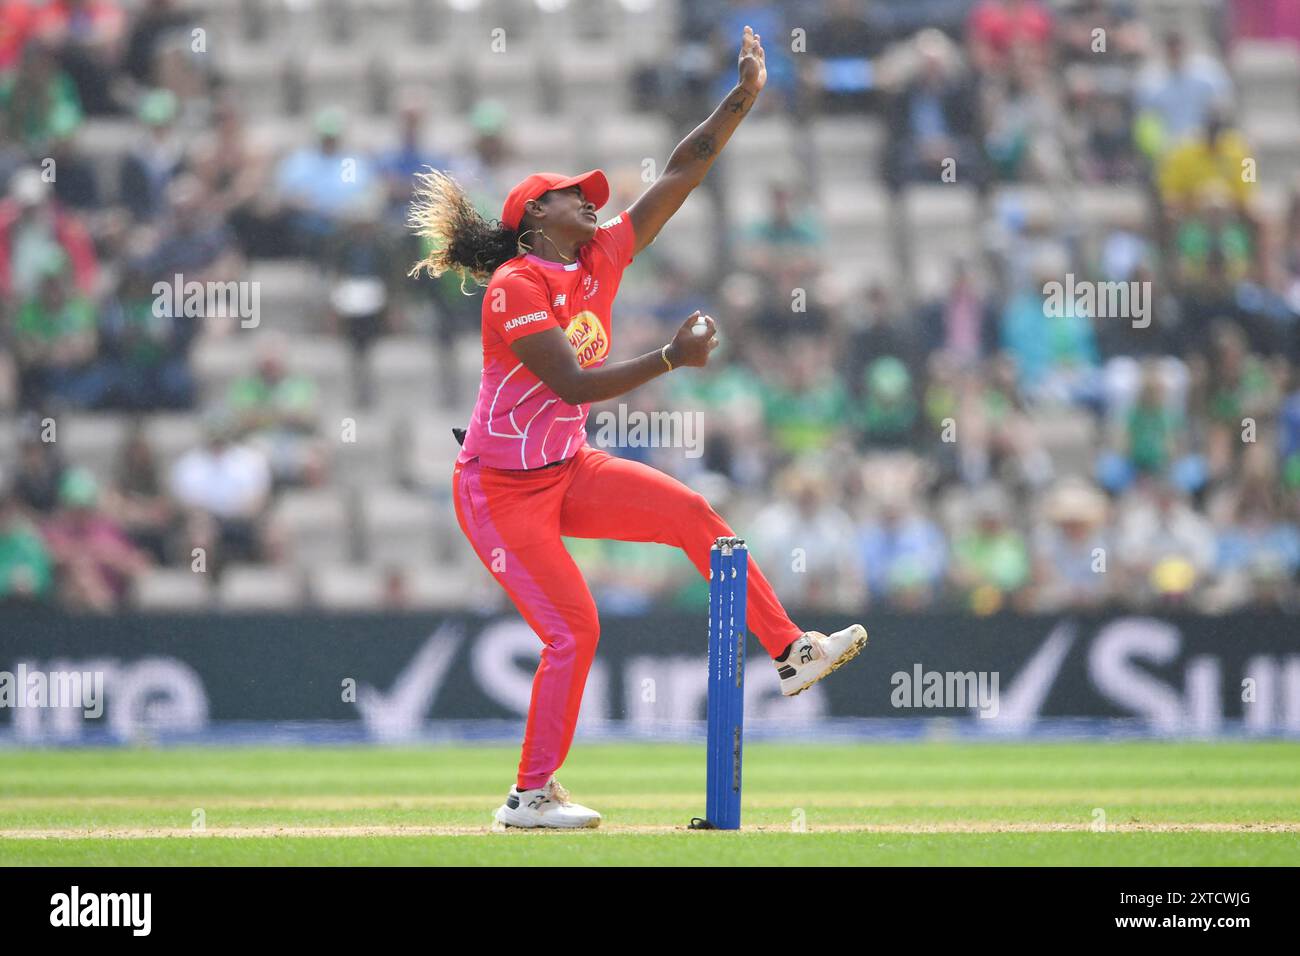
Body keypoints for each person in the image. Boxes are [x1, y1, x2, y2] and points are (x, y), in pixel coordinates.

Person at [408, 27, 867, 830]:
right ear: (533, 219)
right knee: (574, 629)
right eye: (570, 195)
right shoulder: (516, 283)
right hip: (499, 490)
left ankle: (791, 651)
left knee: (695, 516)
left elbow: (685, 168)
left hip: (567, 468)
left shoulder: (602, 258)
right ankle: (527, 796)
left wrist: (743, 99)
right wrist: (670, 357)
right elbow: (572, 381)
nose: (591, 199)